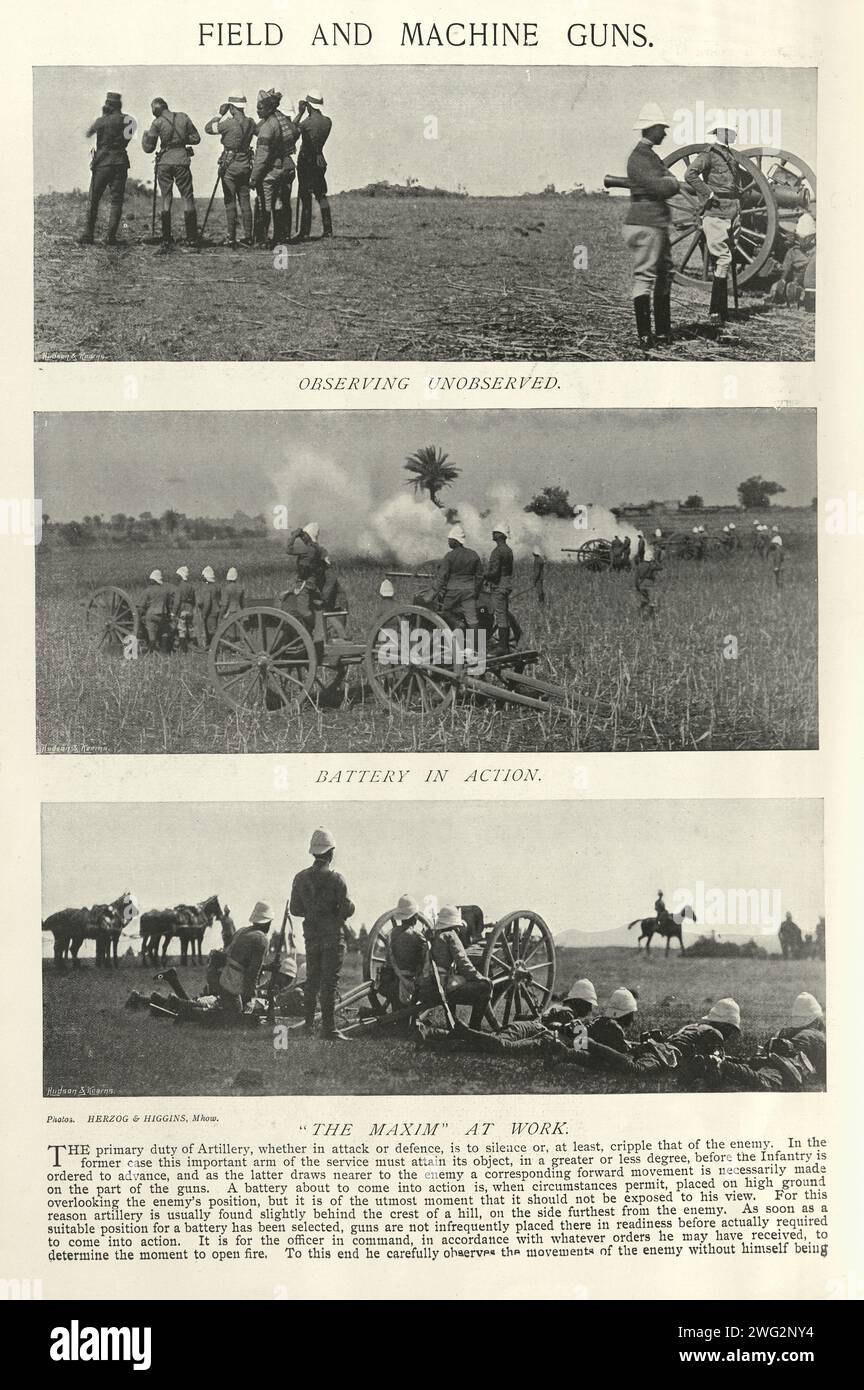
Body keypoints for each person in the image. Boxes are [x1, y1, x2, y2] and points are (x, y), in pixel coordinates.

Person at [622, 103, 681, 350]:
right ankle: (646, 335)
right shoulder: (640, 158)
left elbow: (669, 182)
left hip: (655, 222)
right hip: (646, 223)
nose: (665, 133)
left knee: (665, 274)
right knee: (645, 277)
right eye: (662, 128)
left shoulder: (649, 156)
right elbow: (664, 186)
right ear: (651, 129)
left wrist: (669, 181)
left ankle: (663, 331)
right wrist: (670, 182)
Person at [289, 828, 355, 1040]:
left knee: (312, 980)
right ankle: (329, 1029)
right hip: (333, 937)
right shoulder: (337, 879)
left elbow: (295, 910)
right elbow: (346, 909)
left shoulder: (299, 878)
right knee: (329, 982)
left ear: (313, 852)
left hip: (311, 936)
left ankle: (309, 1026)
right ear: (331, 853)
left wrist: (313, 910)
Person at [684, 123, 742, 326]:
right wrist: (707, 192)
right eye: (732, 130)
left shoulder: (731, 155)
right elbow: (690, 174)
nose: (736, 133)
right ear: (723, 132)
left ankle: (722, 311)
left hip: (733, 210)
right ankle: (715, 311)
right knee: (724, 259)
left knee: (728, 258)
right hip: (716, 212)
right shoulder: (708, 154)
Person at [415, 906, 492, 1030]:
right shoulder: (451, 936)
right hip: (443, 988)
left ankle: (454, 1025)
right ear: (455, 924)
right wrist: (481, 978)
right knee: (484, 988)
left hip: (430, 985)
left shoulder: (433, 936)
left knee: (453, 980)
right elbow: (464, 964)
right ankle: (474, 1029)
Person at [141, 97, 201, 251]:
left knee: (166, 197)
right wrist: (181, 140)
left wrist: (144, 136)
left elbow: (149, 148)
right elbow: (196, 138)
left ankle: (166, 238)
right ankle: (192, 238)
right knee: (187, 196)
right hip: (181, 160)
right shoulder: (183, 117)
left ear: (155, 110)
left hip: (165, 162)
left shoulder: (157, 123)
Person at [80, 92, 133, 246]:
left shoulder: (100, 121)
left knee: (94, 199)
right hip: (120, 162)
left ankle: (88, 235)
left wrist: (104, 116)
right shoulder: (129, 120)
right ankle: (110, 237)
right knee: (116, 201)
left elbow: (88, 133)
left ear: (108, 105)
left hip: (102, 163)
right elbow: (127, 139)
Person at [204, 94, 256, 248]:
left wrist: (219, 114)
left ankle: (231, 237)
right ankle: (248, 237)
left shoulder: (228, 124)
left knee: (230, 201)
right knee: (245, 202)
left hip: (230, 166)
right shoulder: (251, 123)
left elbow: (208, 128)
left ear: (231, 107)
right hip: (245, 165)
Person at [217, 902, 273, 1017]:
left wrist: (268, 967)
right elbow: (253, 972)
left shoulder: (242, 931)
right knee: (239, 1018)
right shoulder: (262, 939)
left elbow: (241, 962)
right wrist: (250, 998)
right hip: (234, 985)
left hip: (223, 977)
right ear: (267, 922)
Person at [295, 91, 333, 240]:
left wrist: (300, 113)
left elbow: (292, 130)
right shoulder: (327, 121)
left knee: (305, 196)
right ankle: (328, 230)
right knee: (321, 195)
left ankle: (304, 232)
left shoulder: (306, 123)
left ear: (309, 105)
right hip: (320, 159)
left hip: (306, 160)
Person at [251, 89, 285, 246]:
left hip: (268, 172)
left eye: (260, 108)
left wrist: (254, 177)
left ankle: (263, 240)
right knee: (277, 203)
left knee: (265, 204)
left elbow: (262, 157)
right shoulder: (274, 122)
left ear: (268, 109)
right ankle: (278, 237)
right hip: (279, 168)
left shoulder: (267, 128)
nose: (258, 111)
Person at [434, 526, 483, 633]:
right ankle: (476, 648)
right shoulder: (473, 554)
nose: (448, 542)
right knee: (472, 620)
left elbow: (442, 577)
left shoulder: (450, 556)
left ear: (455, 541)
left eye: (449, 540)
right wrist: (476, 592)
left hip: (453, 591)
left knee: (445, 612)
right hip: (469, 591)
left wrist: (432, 594)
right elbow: (480, 576)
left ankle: (458, 625)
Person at [772, 213, 816, 309]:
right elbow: (785, 272)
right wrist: (781, 282)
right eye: (799, 237)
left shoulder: (816, 252)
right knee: (780, 288)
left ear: (812, 236)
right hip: (796, 282)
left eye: (804, 238)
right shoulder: (793, 252)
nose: (801, 240)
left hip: (811, 286)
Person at [486, 523, 514, 654]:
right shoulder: (508, 550)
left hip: (499, 586)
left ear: (500, 535)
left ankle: (503, 647)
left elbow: (494, 573)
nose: (492, 534)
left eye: (495, 532)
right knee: (503, 613)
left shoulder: (497, 551)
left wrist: (483, 576)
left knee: (500, 615)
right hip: (506, 583)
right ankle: (504, 645)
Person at [138, 570, 172, 652]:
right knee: (164, 630)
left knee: (151, 631)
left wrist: (138, 616)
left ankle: (152, 649)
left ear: (153, 580)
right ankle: (164, 649)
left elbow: (141, 607)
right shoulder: (165, 591)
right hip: (162, 615)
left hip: (151, 615)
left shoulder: (147, 591)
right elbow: (168, 604)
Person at [172, 565, 197, 652]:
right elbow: (194, 600)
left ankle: (184, 649)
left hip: (182, 609)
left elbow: (177, 602)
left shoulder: (179, 587)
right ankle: (195, 645)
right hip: (190, 609)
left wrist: (173, 613)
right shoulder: (191, 587)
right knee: (191, 628)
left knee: (181, 630)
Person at [199, 565, 222, 642]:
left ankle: (213, 647)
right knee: (214, 628)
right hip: (216, 610)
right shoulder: (216, 587)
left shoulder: (207, 588)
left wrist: (204, 614)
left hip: (210, 612)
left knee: (211, 631)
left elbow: (207, 603)